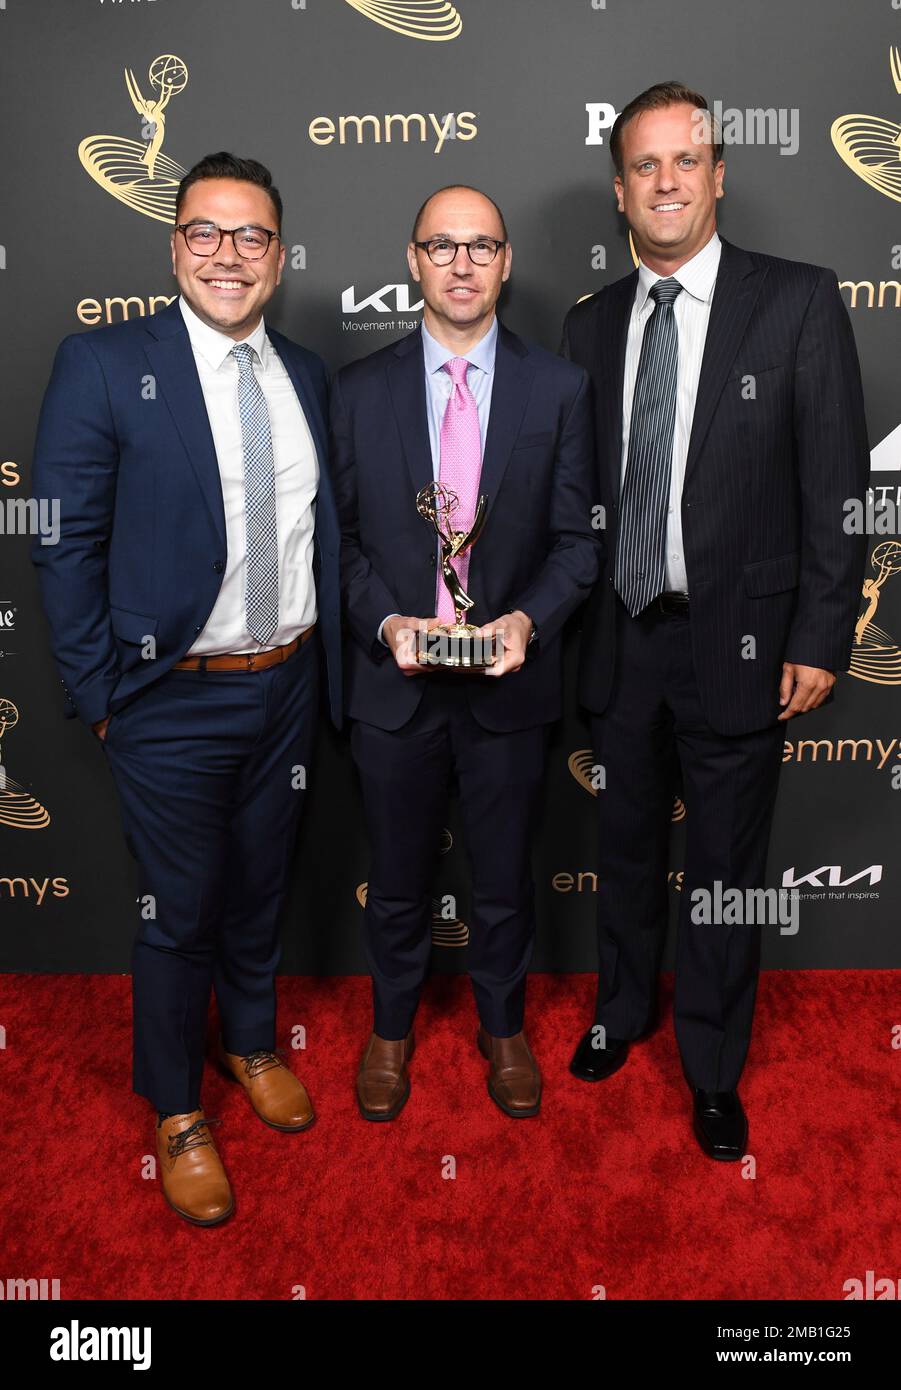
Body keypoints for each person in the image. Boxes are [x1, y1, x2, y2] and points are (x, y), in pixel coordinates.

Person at [32, 152, 341, 1223]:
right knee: (179, 911)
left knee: (262, 888)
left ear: (279, 256)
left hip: (289, 685)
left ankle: (250, 1043)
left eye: (250, 236)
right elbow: (62, 544)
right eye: (205, 232)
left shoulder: (304, 373)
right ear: (173, 247)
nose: (228, 254)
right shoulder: (108, 363)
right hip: (170, 697)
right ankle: (175, 1105)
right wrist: (103, 689)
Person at [561, 83, 869, 1160]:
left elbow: (837, 485)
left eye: (684, 161)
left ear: (718, 173)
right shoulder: (589, 325)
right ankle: (618, 1008)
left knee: (728, 872)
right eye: (643, 166)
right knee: (627, 848)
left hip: (742, 641)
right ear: (618, 190)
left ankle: (709, 1062)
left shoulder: (796, 302)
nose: (664, 182)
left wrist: (820, 636)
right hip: (619, 641)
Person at [331, 185, 601, 1121]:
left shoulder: (557, 388)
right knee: (397, 878)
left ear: (506, 262)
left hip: (508, 687)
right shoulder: (357, 390)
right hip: (393, 689)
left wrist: (527, 622)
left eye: (479, 246)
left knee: (503, 877)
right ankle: (391, 1028)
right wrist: (386, 624)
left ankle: (503, 1026)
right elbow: (345, 543)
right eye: (440, 247)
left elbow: (578, 543)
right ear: (412, 261)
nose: (460, 264)